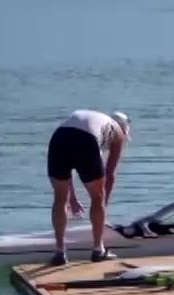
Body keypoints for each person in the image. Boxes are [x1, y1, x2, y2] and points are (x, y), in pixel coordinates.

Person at [45, 109, 131, 264]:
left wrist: (72, 198)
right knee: (97, 198)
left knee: (60, 198)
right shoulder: (117, 131)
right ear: (124, 128)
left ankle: (59, 252)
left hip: (58, 138)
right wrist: (103, 205)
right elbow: (110, 173)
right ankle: (98, 250)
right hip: (85, 140)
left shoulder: (97, 121)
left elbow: (67, 172)